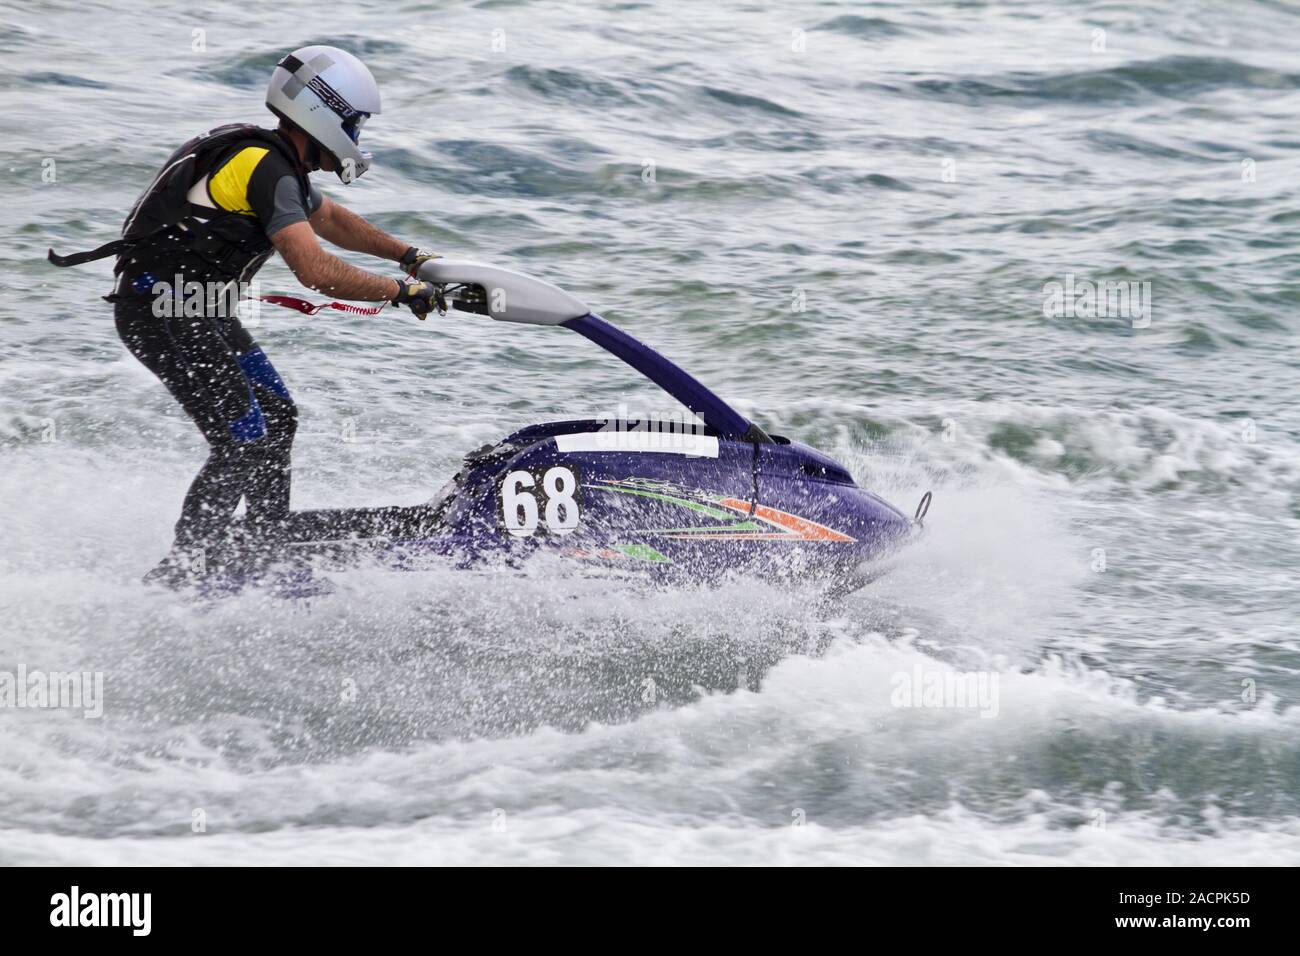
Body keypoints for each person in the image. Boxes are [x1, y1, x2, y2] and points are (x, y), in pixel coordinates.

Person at [48, 45, 442, 584]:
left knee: (278, 418)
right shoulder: (266, 165)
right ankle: (185, 571)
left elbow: (330, 220)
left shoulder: (276, 162)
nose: (356, 136)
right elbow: (314, 268)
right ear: (323, 112)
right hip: (162, 310)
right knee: (243, 438)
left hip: (198, 310)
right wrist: (402, 292)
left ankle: (264, 537)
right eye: (354, 123)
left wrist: (411, 257)